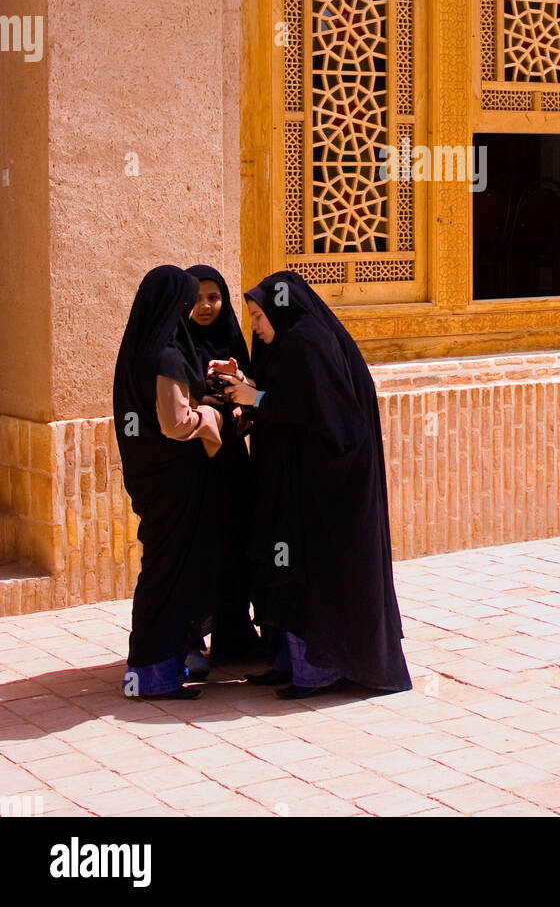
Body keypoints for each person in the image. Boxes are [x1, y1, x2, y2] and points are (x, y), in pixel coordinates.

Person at [212, 271, 412, 699]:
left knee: (307, 574)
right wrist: (248, 388)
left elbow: (322, 413)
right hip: (293, 489)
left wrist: (259, 400)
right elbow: (288, 397)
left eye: (260, 316)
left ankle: (318, 671)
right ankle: (289, 664)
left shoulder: (309, 342)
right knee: (282, 568)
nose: (256, 327)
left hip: (322, 493)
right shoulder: (290, 342)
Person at [112, 265, 223, 700]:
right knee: (171, 573)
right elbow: (176, 424)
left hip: (150, 479)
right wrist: (211, 417)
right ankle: (154, 672)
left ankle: (150, 668)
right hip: (175, 481)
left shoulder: (137, 352)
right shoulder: (167, 356)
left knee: (159, 569)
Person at [185, 264, 261, 664]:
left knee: (235, 544)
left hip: (231, 464)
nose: (206, 306)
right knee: (200, 550)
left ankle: (234, 634)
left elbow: (252, 399)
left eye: (213, 297)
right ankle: (190, 639)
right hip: (195, 468)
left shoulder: (230, 339)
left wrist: (239, 395)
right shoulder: (177, 345)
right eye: (197, 298)